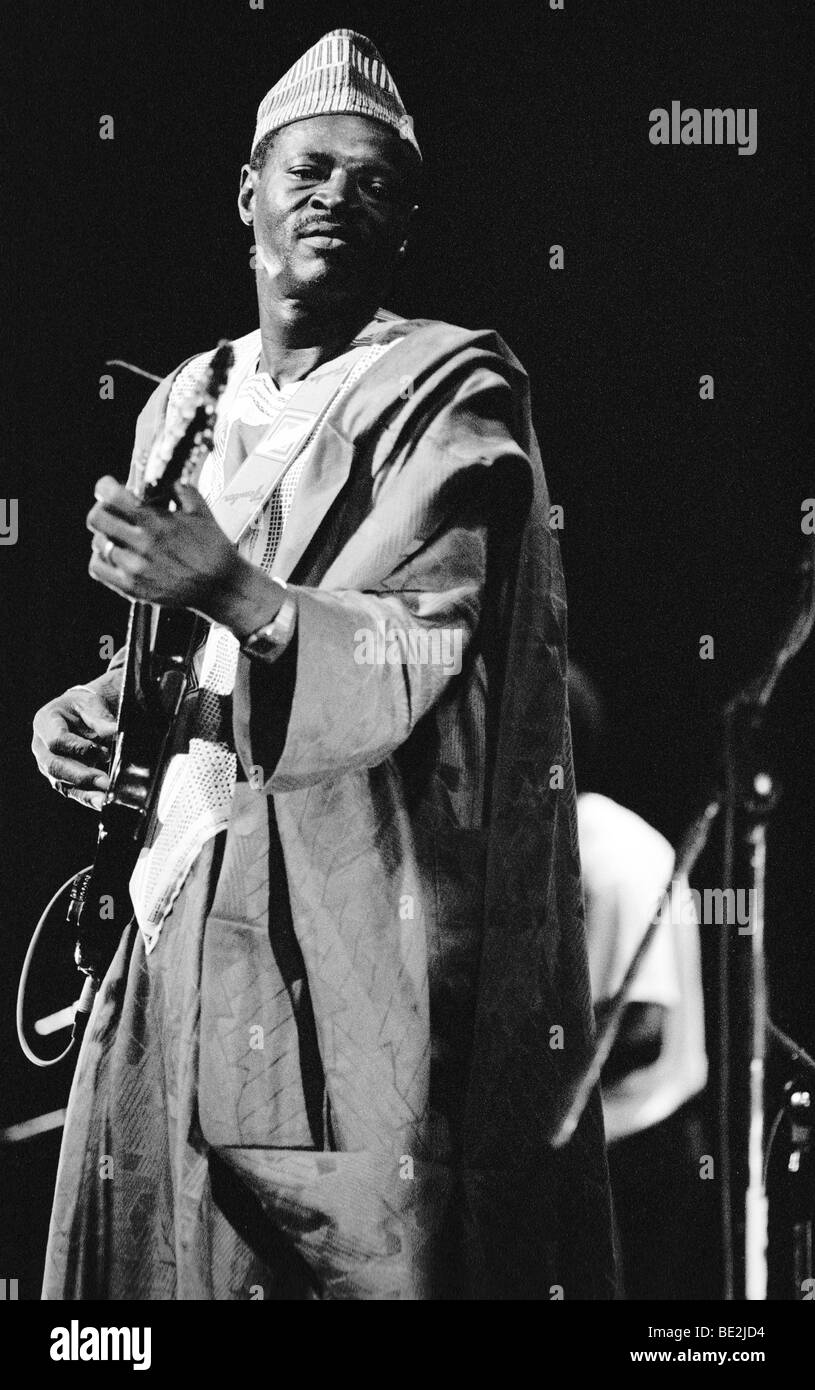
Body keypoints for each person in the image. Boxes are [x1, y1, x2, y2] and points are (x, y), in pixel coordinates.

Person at [31, 31, 615, 1301]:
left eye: (372, 181)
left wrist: (233, 587)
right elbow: (176, 666)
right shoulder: (185, 399)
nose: (332, 197)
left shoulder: (447, 390)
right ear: (248, 190)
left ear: (406, 222)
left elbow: (417, 649)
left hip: (344, 930)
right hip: (174, 907)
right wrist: (99, 718)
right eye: (306, 168)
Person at [568, 663, 715, 1299]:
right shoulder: (573, 844)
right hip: (614, 1154)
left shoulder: (610, 851)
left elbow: (642, 1030)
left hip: (639, 1158)